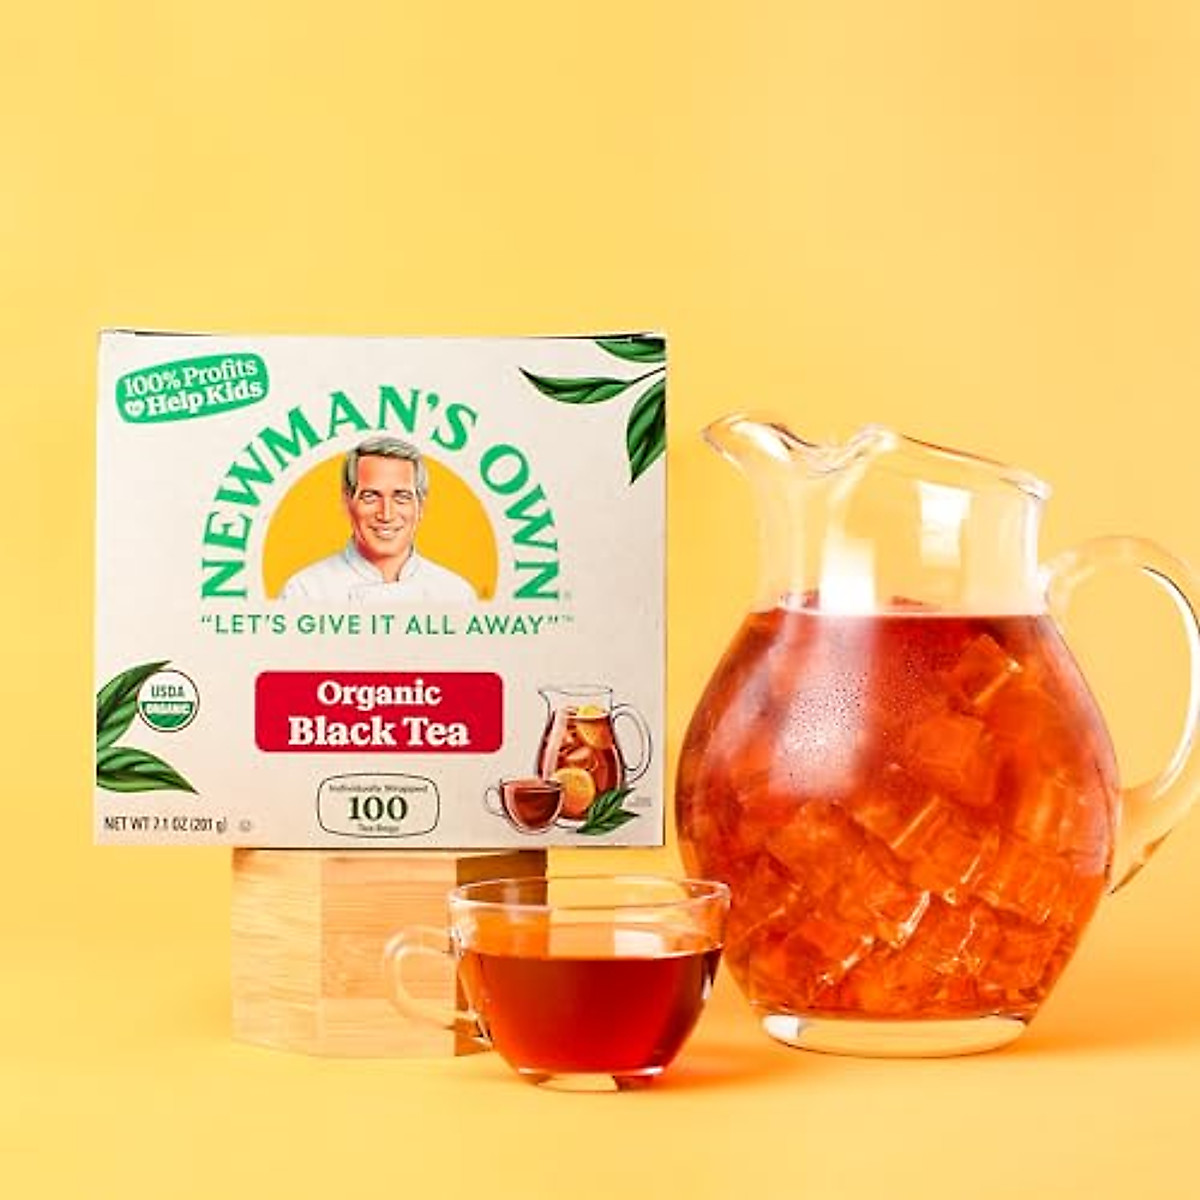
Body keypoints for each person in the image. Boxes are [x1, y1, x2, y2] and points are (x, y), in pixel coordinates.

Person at [279, 436, 477, 605]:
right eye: (371, 497)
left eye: (401, 497)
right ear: (347, 503)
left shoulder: (457, 594)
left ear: (421, 506)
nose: (386, 514)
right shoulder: (304, 593)